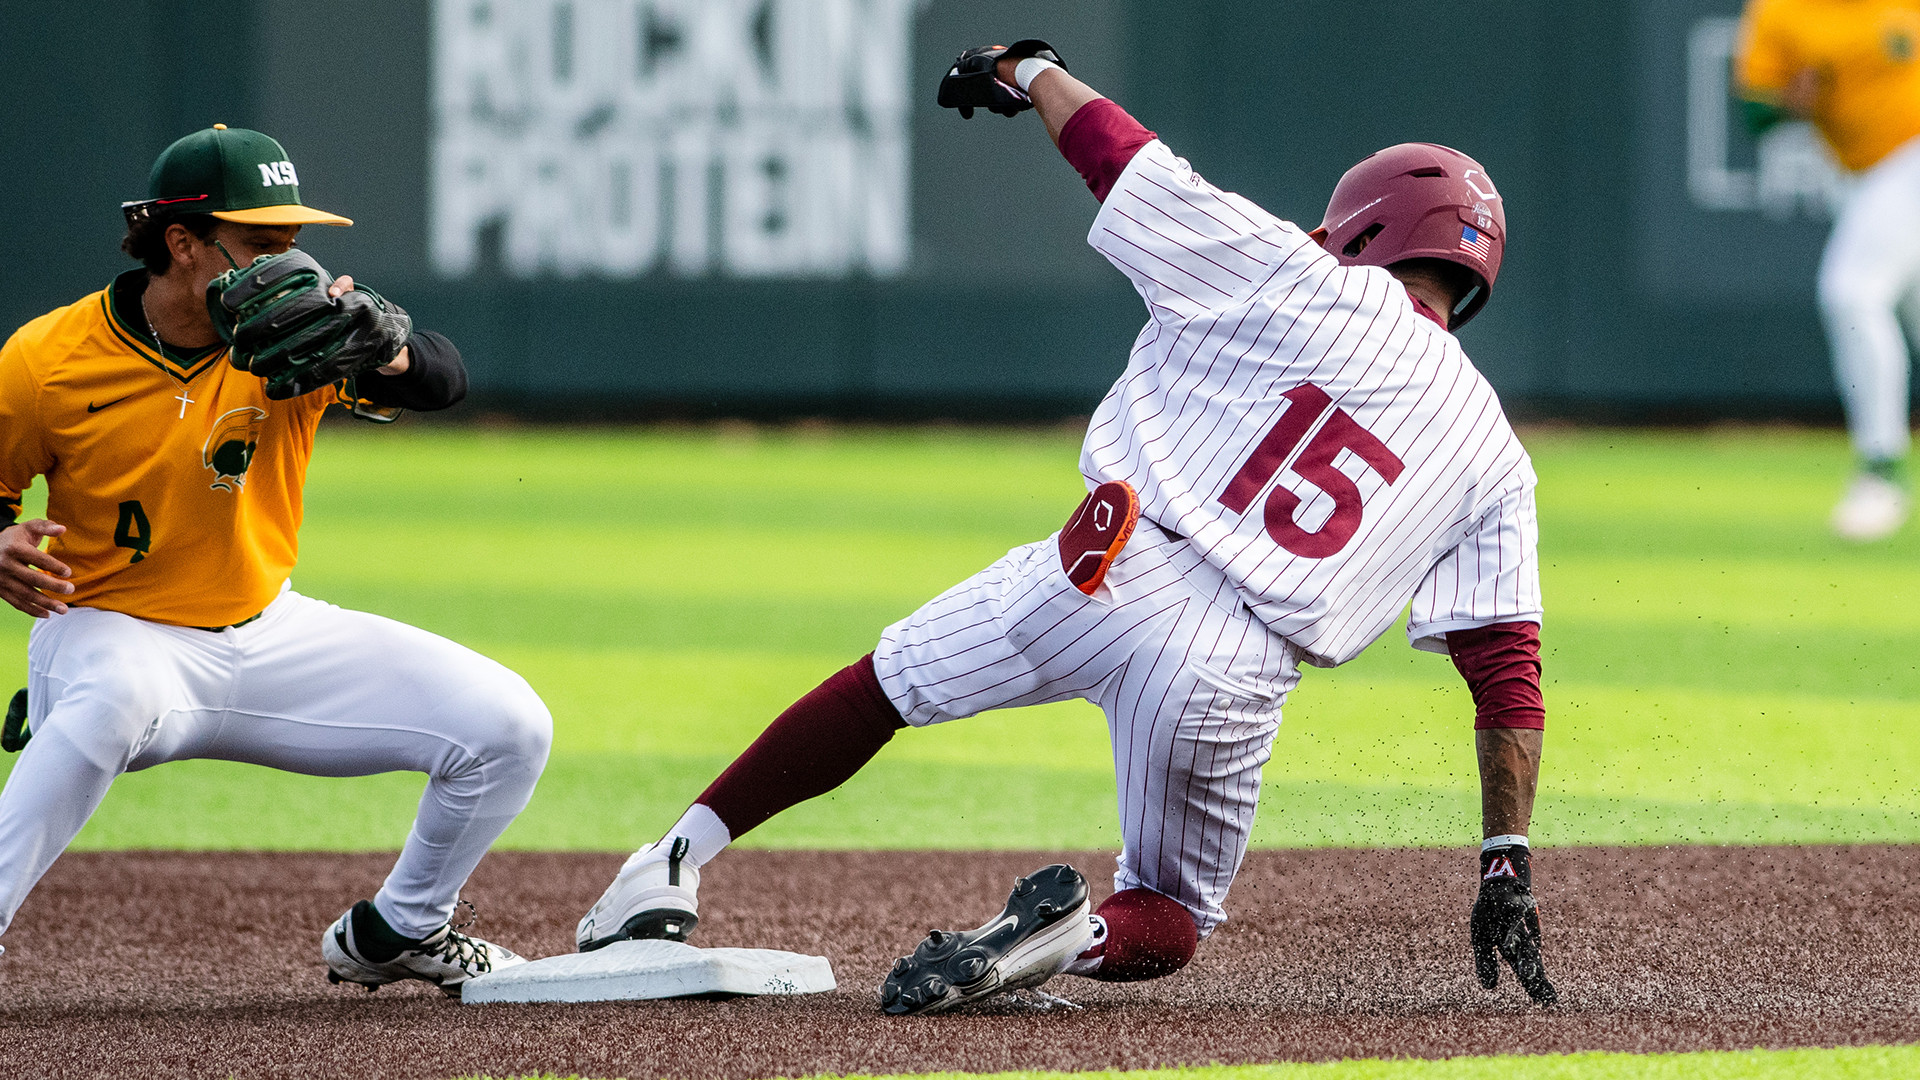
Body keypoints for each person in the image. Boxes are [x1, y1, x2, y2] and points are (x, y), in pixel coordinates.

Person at [578, 42, 1556, 1013]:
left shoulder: (1294, 272)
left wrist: (1028, 69)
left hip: (1100, 566)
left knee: (883, 687)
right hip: (1230, 670)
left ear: (1361, 227)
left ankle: (670, 861)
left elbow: (1123, 159)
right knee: (1165, 913)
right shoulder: (1494, 455)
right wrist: (1504, 865)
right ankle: (1066, 939)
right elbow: (1505, 668)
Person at [0, 126, 552, 997]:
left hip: (268, 632)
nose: (286, 258)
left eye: (293, 238)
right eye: (260, 239)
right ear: (182, 242)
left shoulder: (297, 336)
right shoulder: (47, 359)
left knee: (509, 727)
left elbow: (443, 382)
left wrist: (387, 347)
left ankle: (397, 931)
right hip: (112, 635)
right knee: (112, 698)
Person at [1736, 0, 1920, 540]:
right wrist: (1789, 103)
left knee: (1853, 293)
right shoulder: (1781, 12)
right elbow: (1753, 109)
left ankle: (1880, 470)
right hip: (1864, 173)